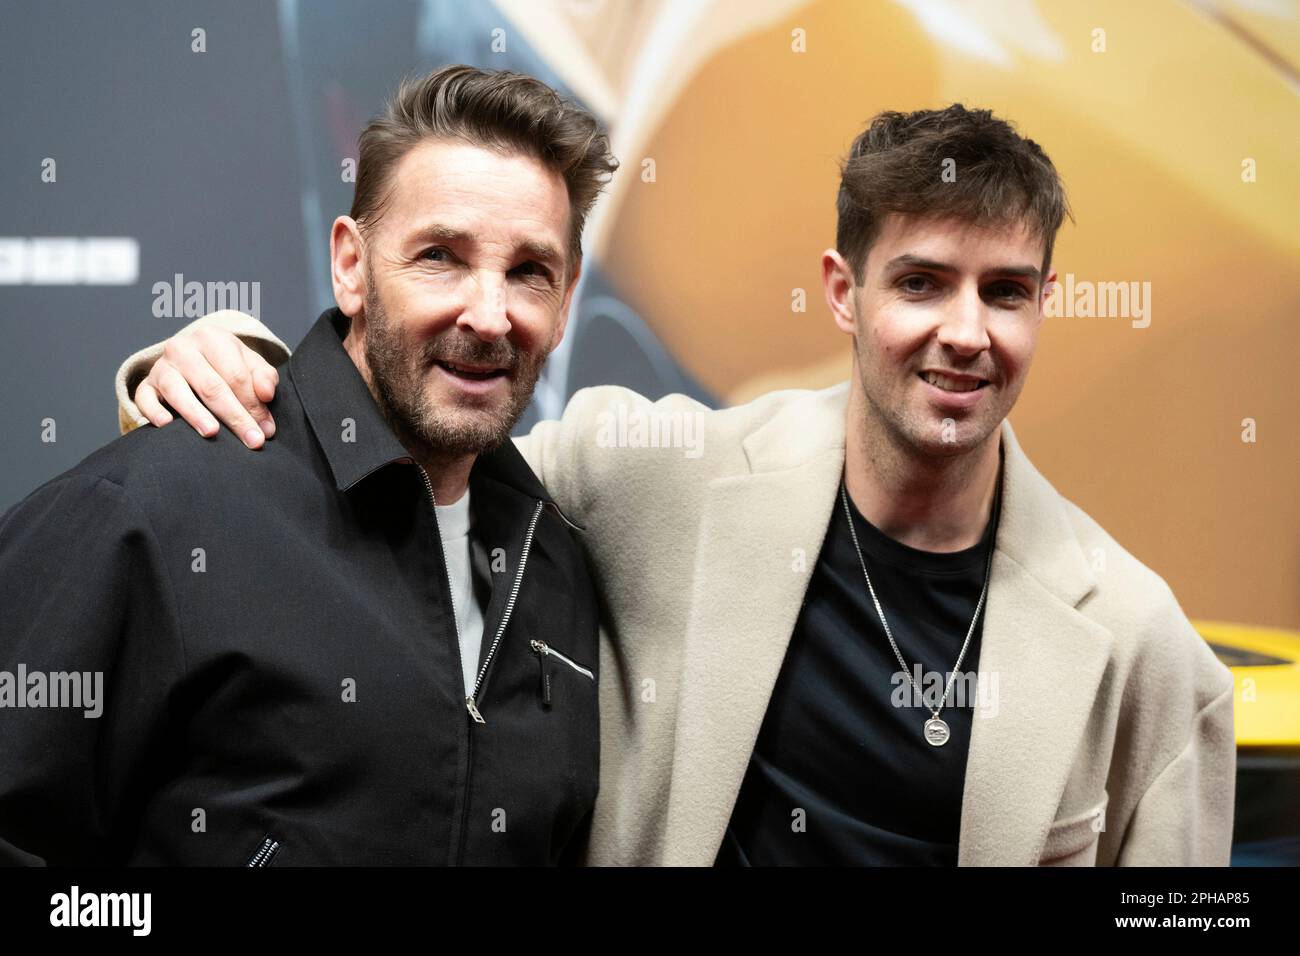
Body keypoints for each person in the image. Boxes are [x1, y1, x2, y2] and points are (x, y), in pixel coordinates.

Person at [116, 104, 1235, 865]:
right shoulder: (649, 477)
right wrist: (231, 354)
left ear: (1047, 302)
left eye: (1005, 291)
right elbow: (414, 440)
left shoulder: (1141, 647)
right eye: (922, 282)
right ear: (842, 293)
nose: (964, 332)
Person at [0, 64, 618, 865]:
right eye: (441, 256)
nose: (489, 315)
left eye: (529, 272)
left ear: (566, 302)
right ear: (351, 268)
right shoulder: (155, 507)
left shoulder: (558, 564)